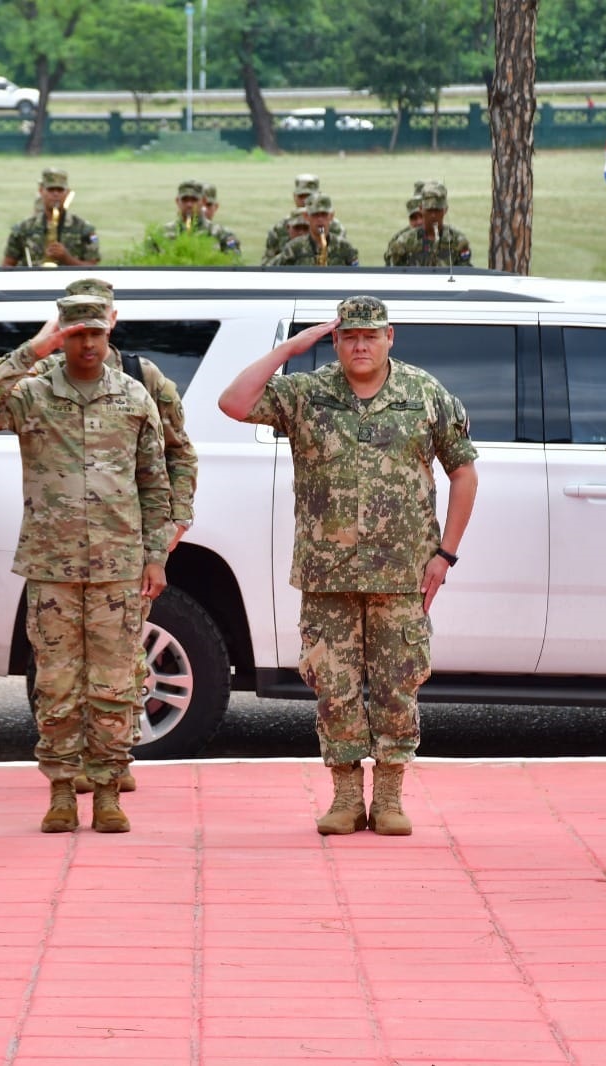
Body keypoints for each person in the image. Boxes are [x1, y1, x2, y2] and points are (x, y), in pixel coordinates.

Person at [218, 295, 478, 837]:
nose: (360, 345)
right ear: (335, 342)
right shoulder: (307, 394)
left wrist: (445, 554)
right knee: (332, 686)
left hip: (402, 573)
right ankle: (343, 799)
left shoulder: (424, 394)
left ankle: (387, 799)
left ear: (390, 337)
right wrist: (293, 346)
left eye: (370, 335)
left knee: (398, 684)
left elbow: (463, 473)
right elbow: (234, 403)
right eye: (348, 336)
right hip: (327, 574)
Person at [0, 295, 170, 833]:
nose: (86, 344)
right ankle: (60, 790)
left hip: (118, 567)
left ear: (107, 336)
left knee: (114, 684)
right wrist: (36, 347)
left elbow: (154, 482)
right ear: (64, 335)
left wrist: (156, 557)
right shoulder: (33, 394)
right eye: (75, 334)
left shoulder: (133, 397)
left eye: (94, 335)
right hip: (52, 566)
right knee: (56, 683)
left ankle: (107, 790)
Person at [47, 277, 198, 796]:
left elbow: (178, 452)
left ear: (113, 319)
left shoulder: (142, 378)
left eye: (100, 318)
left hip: (128, 537)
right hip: (65, 542)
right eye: (78, 322)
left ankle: (111, 758)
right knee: (64, 663)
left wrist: (171, 526)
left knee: (123, 655)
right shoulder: (45, 378)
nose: (90, 332)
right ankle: (75, 764)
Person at [2, 168, 100, 269]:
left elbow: (92, 268)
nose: (55, 194)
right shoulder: (22, 229)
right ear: (41, 191)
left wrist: (67, 259)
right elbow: (7, 266)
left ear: (67, 192)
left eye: (60, 190)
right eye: (51, 190)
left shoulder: (85, 229)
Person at [384, 181, 472, 268]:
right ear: (421, 209)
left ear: (445, 210)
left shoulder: (458, 242)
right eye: (429, 210)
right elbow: (393, 274)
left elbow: (464, 273)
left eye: (437, 210)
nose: (433, 215)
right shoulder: (404, 242)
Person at [262, 174, 346, 264]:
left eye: (309, 196)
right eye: (301, 196)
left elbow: (344, 261)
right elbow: (266, 265)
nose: (305, 201)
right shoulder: (280, 228)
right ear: (294, 196)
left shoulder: (334, 228)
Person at [156, 179, 240, 256]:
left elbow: (234, 265)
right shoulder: (160, 234)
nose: (189, 204)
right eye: (185, 200)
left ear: (203, 201)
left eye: (194, 200)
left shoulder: (222, 234)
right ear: (177, 201)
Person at [269, 195, 359, 267]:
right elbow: (271, 272)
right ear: (306, 216)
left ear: (331, 216)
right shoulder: (294, 248)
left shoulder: (345, 248)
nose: (320, 219)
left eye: (324, 215)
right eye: (315, 215)